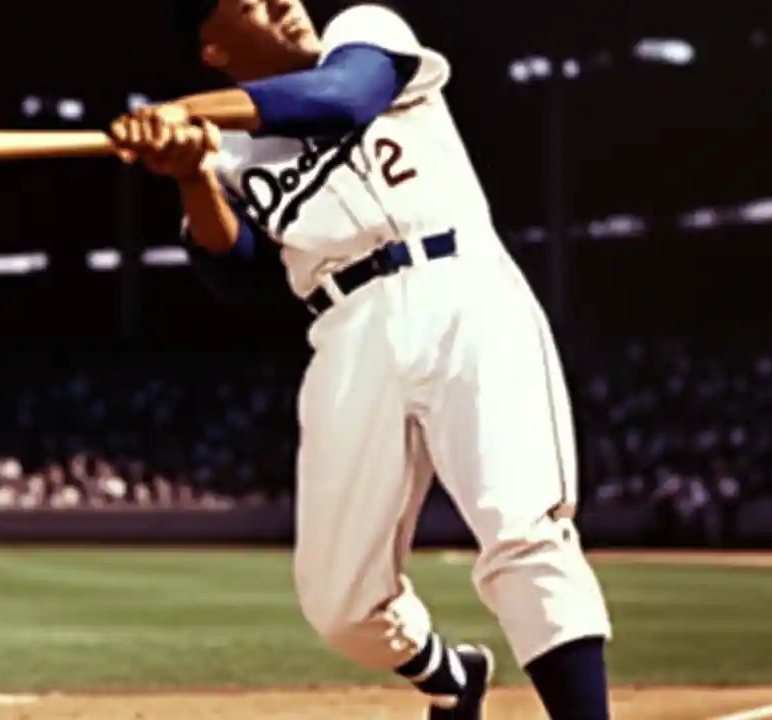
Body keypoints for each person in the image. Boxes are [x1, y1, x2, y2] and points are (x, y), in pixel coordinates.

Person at [108, 2, 613, 718]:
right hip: (346, 328)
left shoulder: (364, 32)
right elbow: (238, 275)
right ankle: (451, 679)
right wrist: (191, 169)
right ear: (215, 47)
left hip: (459, 282)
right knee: (339, 604)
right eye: (255, 4)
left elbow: (340, 99)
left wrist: (182, 110)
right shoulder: (223, 151)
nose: (285, 3)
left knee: (524, 529)